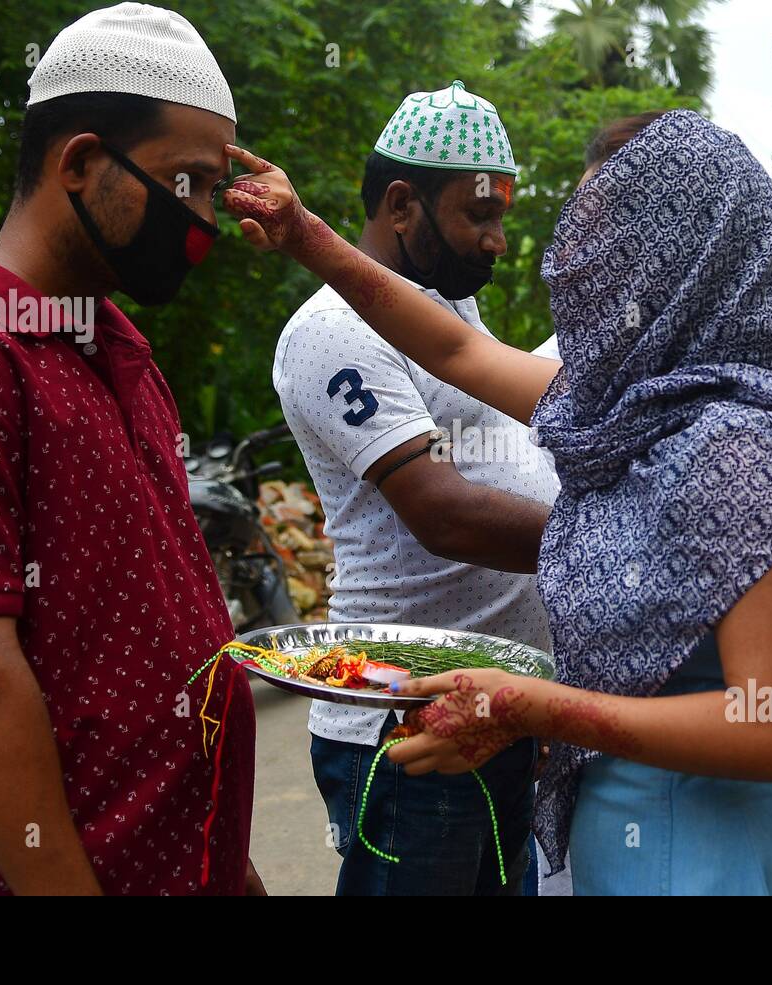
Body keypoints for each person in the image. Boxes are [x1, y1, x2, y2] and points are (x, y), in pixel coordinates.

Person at [225, 109, 772, 894]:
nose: (570, 260)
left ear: (678, 257)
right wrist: (302, 234)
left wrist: (535, 707)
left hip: (698, 864)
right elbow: (456, 350)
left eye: (602, 230)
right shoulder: (646, 404)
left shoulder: (738, 443)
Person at [0, 3, 261, 895]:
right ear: (79, 163)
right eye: (183, 182)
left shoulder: (122, 351)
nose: (202, 221)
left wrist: (227, 863)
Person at [270, 80, 558, 896]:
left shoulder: (454, 313)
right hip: (403, 728)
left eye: (503, 214)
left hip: (489, 716)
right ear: (402, 204)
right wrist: (608, 538)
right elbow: (442, 513)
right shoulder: (335, 329)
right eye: (480, 215)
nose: (499, 240)